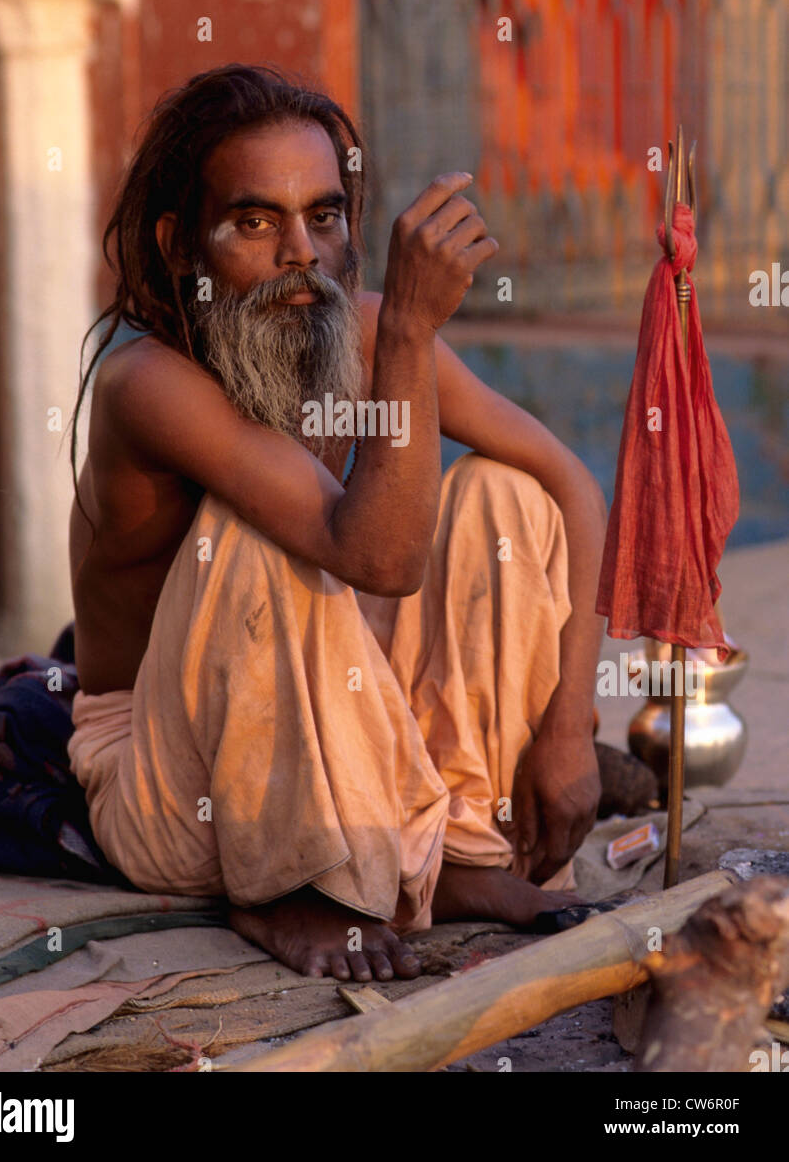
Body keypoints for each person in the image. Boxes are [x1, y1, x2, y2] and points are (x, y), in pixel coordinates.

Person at [67, 64, 606, 983]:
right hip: (167, 788)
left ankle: (468, 850)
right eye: (255, 221)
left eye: (323, 216)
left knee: (503, 495)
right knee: (253, 529)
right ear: (180, 245)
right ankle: (289, 885)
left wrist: (571, 727)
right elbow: (381, 557)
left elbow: (573, 486)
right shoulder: (146, 385)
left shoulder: (345, 323)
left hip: (327, 696)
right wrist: (406, 337)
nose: (301, 254)